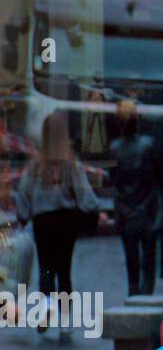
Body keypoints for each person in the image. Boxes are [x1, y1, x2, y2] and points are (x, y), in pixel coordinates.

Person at [14, 111, 97, 305]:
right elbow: (84, 192)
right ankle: (65, 318)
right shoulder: (71, 163)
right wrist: (92, 208)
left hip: (43, 222)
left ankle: (44, 312)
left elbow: (24, 193)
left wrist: (23, 215)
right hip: (67, 221)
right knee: (64, 270)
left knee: (46, 268)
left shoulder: (35, 165)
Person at [108, 100, 163, 296]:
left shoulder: (115, 148)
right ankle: (146, 294)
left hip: (126, 208)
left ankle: (133, 293)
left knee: (131, 256)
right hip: (148, 205)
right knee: (148, 257)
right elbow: (160, 175)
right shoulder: (148, 145)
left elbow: (113, 180)